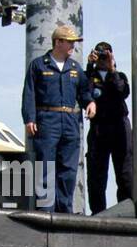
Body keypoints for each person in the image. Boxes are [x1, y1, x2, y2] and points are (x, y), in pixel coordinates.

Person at [21, 24, 96, 213]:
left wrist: (90, 102)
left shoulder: (75, 68)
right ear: (58, 42)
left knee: (68, 169)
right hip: (47, 120)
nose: (73, 46)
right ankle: (46, 210)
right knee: (46, 167)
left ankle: (65, 211)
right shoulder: (39, 65)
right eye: (69, 42)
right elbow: (29, 94)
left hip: (70, 120)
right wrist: (29, 119)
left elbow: (84, 90)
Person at [84, 41, 133, 215]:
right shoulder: (89, 76)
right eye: (101, 55)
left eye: (106, 55)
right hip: (99, 129)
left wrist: (112, 69)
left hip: (119, 128)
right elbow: (84, 91)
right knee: (96, 176)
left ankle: (126, 211)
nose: (103, 58)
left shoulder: (120, 75)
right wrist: (90, 66)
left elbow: (122, 91)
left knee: (126, 174)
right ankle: (98, 213)